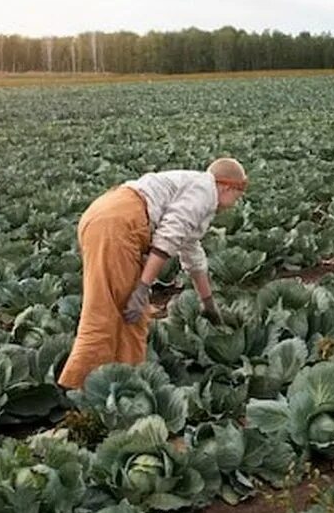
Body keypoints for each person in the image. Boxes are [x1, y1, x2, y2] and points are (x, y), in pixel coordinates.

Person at [57, 158, 248, 390]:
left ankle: (126, 381)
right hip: (118, 224)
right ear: (228, 186)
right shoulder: (205, 190)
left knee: (133, 316)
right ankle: (76, 388)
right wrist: (142, 287)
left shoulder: (197, 190)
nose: (235, 203)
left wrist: (208, 304)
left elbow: (191, 253)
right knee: (104, 313)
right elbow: (169, 236)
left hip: (110, 216)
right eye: (237, 196)